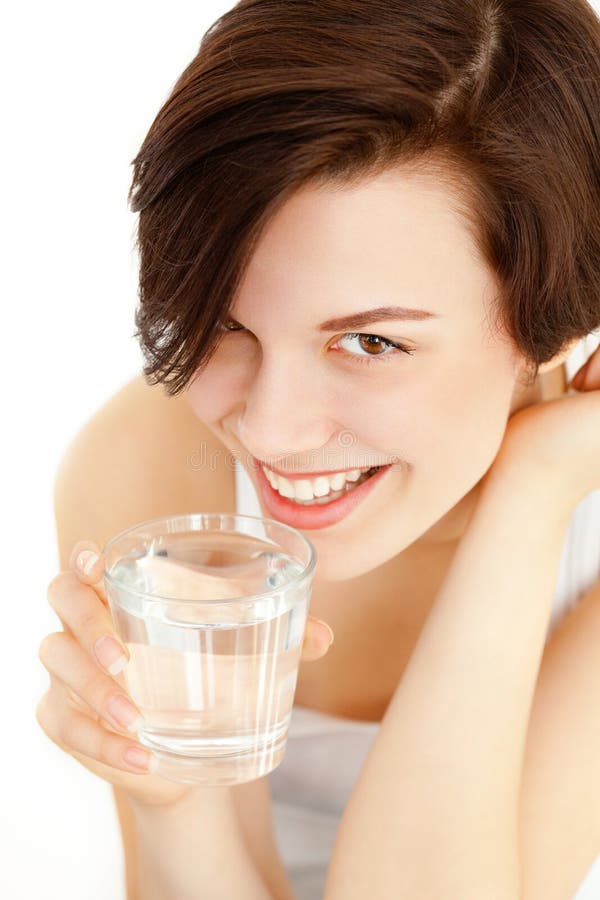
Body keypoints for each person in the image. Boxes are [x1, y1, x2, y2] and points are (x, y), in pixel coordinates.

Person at [37, 0, 600, 897]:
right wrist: (172, 803)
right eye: (225, 323)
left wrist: (531, 495)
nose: (269, 429)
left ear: (554, 323)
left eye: (372, 343)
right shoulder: (155, 462)